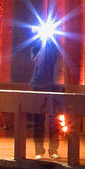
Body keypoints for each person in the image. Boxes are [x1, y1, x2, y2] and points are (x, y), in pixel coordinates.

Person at [29, 27, 64, 159]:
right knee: (38, 120)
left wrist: (58, 84)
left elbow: (59, 64)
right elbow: (36, 62)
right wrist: (43, 43)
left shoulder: (56, 45)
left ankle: (53, 151)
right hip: (38, 85)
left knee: (53, 120)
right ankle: (39, 151)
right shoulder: (36, 46)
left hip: (53, 86)